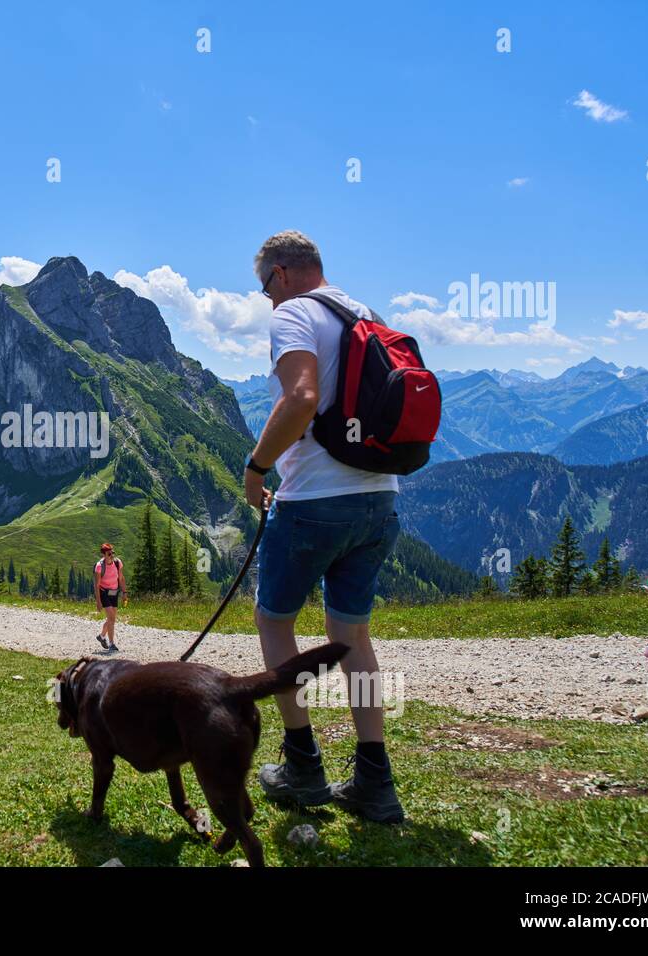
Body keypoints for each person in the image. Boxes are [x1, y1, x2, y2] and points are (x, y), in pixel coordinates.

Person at [246, 230, 405, 824]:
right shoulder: (367, 315)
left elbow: (301, 397)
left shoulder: (293, 316)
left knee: (275, 621)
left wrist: (257, 468)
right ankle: (374, 779)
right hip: (381, 497)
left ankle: (303, 765)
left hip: (314, 498)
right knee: (352, 637)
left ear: (283, 273)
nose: (267, 299)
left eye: (265, 286)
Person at [94, 542, 127, 652]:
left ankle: (102, 636)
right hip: (104, 592)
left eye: (112, 552)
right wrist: (98, 602)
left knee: (111, 618)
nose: (112, 555)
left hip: (114, 592)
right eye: (109, 554)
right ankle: (112, 643)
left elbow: (121, 578)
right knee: (112, 619)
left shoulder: (118, 563)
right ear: (104, 555)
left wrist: (124, 592)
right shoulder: (99, 566)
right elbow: (96, 585)